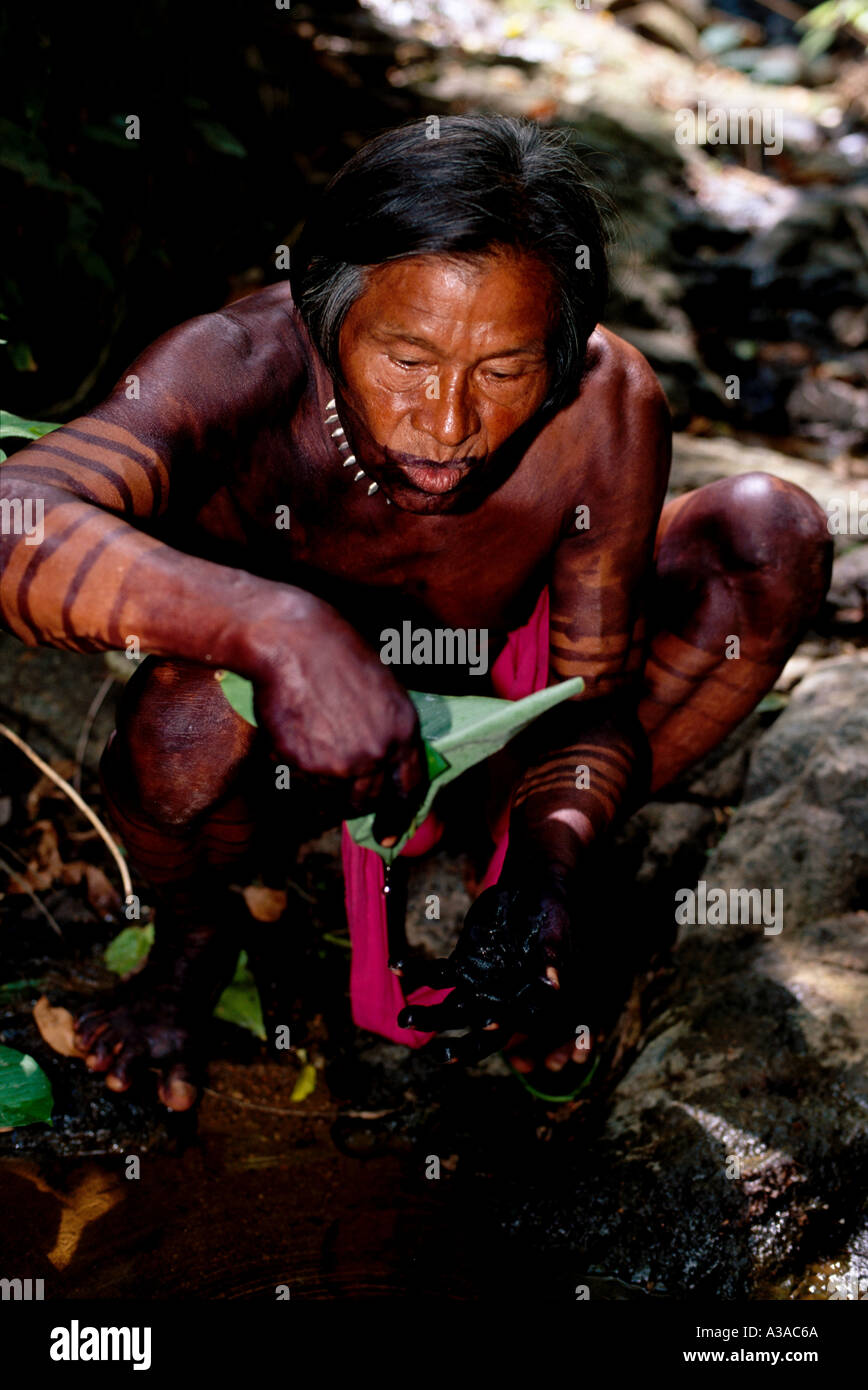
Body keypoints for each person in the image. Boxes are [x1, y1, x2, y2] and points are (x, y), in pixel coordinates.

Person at [0, 114, 831, 1110]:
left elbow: (592, 699)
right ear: (328, 313)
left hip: (486, 731)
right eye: (406, 360)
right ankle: (192, 941)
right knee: (187, 720)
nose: (447, 424)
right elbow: (14, 516)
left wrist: (549, 864)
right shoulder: (236, 364)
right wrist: (278, 630)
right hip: (287, 755)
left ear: (561, 350)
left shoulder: (602, 407)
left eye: (505, 371)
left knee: (770, 533)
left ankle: (499, 875)